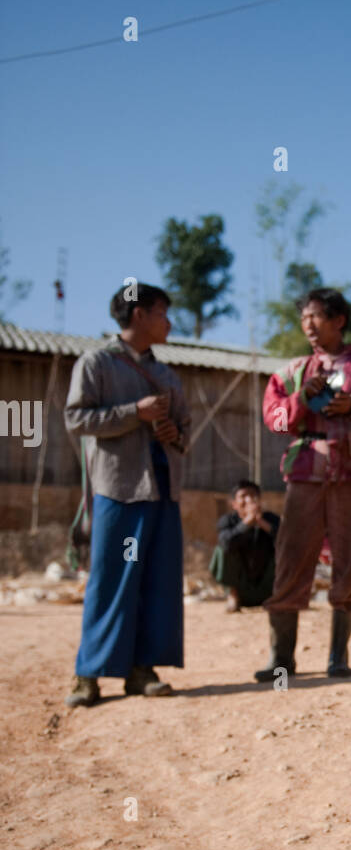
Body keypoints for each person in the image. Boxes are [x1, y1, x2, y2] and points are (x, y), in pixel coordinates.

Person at [256, 289, 351, 680]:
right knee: (291, 559)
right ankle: (281, 659)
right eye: (304, 319)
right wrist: (302, 399)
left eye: (317, 317)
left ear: (339, 321)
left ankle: (338, 658)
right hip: (306, 475)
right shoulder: (293, 372)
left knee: (350, 561)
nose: (309, 326)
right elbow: (276, 421)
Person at [64, 284, 190, 707]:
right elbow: (76, 419)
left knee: (158, 582)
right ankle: (89, 674)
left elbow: (186, 433)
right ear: (139, 315)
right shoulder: (96, 363)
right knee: (111, 581)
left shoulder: (170, 376)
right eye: (162, 313)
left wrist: (175, 434)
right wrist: (132, 413)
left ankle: (143, 670)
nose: (169, 322)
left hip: (163, 492)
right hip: (119, 489)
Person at [209, 480, 280, 612]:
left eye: (252, 495)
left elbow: (285, 542)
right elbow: (226, 543)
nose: (248, 500)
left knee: (285, 548)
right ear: (234, 504)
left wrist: (261, 523)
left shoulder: (271, 519)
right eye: (243, 496)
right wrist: (246, 523)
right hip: (240, 587)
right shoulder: (228, 521)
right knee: (223, 547)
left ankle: (277, 596)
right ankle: (233, 595)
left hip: (267, 587)